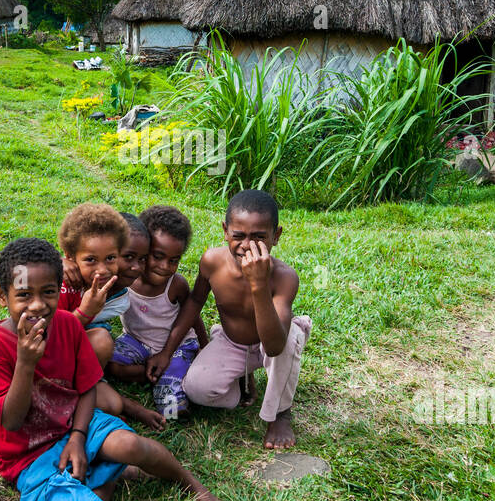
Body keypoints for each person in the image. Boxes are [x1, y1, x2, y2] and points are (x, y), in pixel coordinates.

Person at [0, 237, 226, 501]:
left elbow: (86, 388)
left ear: (61, 290)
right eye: (24, 295)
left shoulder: (68, 325)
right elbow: (11, 422)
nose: (38, 305)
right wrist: (26, 363)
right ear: (3, 296)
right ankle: (112, 474)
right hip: (29, 455)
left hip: (75, 426)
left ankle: (191, 483)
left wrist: (78, 438)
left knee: (132, 445)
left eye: (49, 292)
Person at [147, 190, 311, 449]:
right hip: (235, 343)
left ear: (276, 236)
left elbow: (274, 346)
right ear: (225, 231)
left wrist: (258, 285)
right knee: (197, 389)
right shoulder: (212, 261)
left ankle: (280, 412)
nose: (247, 245)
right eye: (238, 236)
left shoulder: (284, 277)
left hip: (273, 342)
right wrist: (167, 351)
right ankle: (242, 378)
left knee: (288, 342)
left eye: (259, 237)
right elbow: (194, 302)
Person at [58, 203, 166, 429]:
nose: (103, 268)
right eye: (127, 257)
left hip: (79, 353)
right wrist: (60, 262)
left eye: (110, 258)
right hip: (51, 355)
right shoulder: (65, 282)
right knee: (101, 340)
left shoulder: (120, 299)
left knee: (114, 404)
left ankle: (88, 394)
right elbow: (53, 336)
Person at [109, 205, 208, 419]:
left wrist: (204, 346)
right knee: (109, 363)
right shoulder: (126, 277)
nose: (164, 266)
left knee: (172, 410)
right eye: (157, 256)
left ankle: (169, 373)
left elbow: (191, 316)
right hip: (136, 340)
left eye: (174, 260)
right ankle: (152, 371)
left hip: (176, 346)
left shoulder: (176, 285)